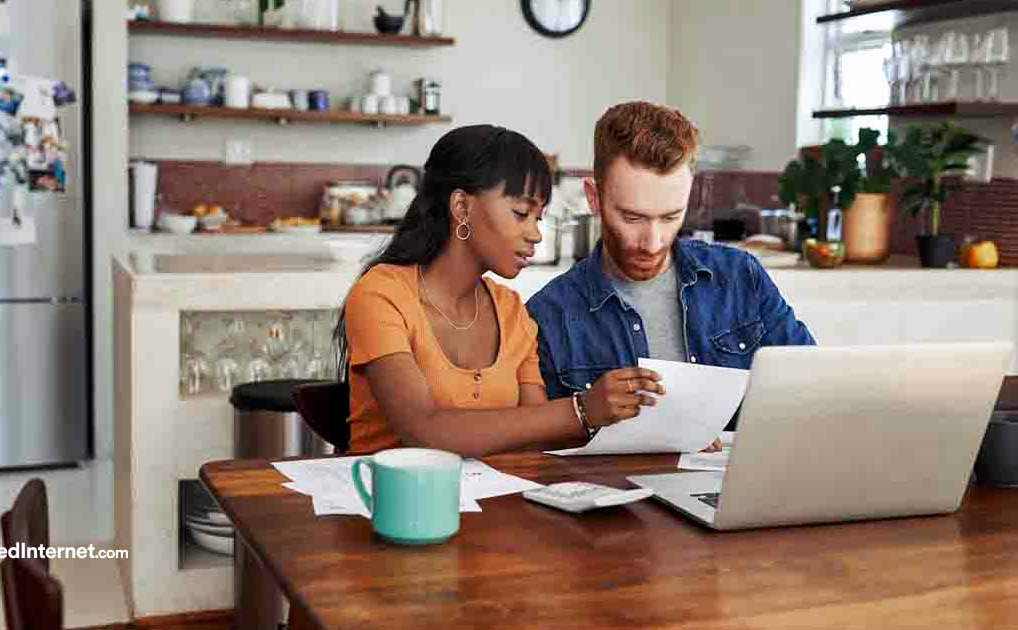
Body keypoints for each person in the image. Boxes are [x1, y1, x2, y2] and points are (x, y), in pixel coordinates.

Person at [333, 124, 669, 458]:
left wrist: (647, 428)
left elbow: (536, 436)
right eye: (521, 213)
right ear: (462, 208)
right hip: (389, 503)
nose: (535, 234)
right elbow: (425, 430)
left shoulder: (511, 311)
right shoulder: (381, 295)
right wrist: (582, 409)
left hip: (493, 505)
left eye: (538, 218)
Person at [526, 101, 815, 423]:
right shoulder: (548, 315)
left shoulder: (741, 276)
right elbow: (545, 451)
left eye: (670, 216)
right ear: (594, 198)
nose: (653, 243)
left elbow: (809, 388)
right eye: (632, 217)